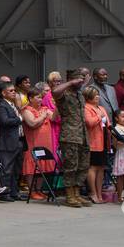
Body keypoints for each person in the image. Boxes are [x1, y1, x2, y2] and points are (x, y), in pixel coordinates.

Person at [53, 69, 89, 208]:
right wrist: (70, 82)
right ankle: (69, 195)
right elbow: (54, 92)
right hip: (70, 135)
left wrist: (83, 82)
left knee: (83, 166)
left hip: (83, 135)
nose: (80, 81)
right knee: (70, 166)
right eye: (77, 79)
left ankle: (77, 193)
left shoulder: (79, 94)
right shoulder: (64, 94)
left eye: (82, 78)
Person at [0, 84, 25, 200]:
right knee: (7, 169)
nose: (13, 92)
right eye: (10, 91)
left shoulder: (13, 106)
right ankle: (4, 193)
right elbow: (4, 121)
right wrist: (19, 119)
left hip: (18, 140)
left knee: (16, 169)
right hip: (7, 142)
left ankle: (14, 192)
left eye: (14, 91)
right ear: (3, 93)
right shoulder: (2, 106)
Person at [83, 86, 109, 203]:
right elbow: (89, 122)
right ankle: (93, 193)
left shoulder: (101, 108)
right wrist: (99, 116)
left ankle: (99, 194)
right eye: (95, 94)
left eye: (98, 94)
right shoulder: (86, 108)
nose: (98, 96)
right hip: (93, 141)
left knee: (101, 168)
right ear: (88, 96)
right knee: (93, 167)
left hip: (104, 140)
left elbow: (108, 122)